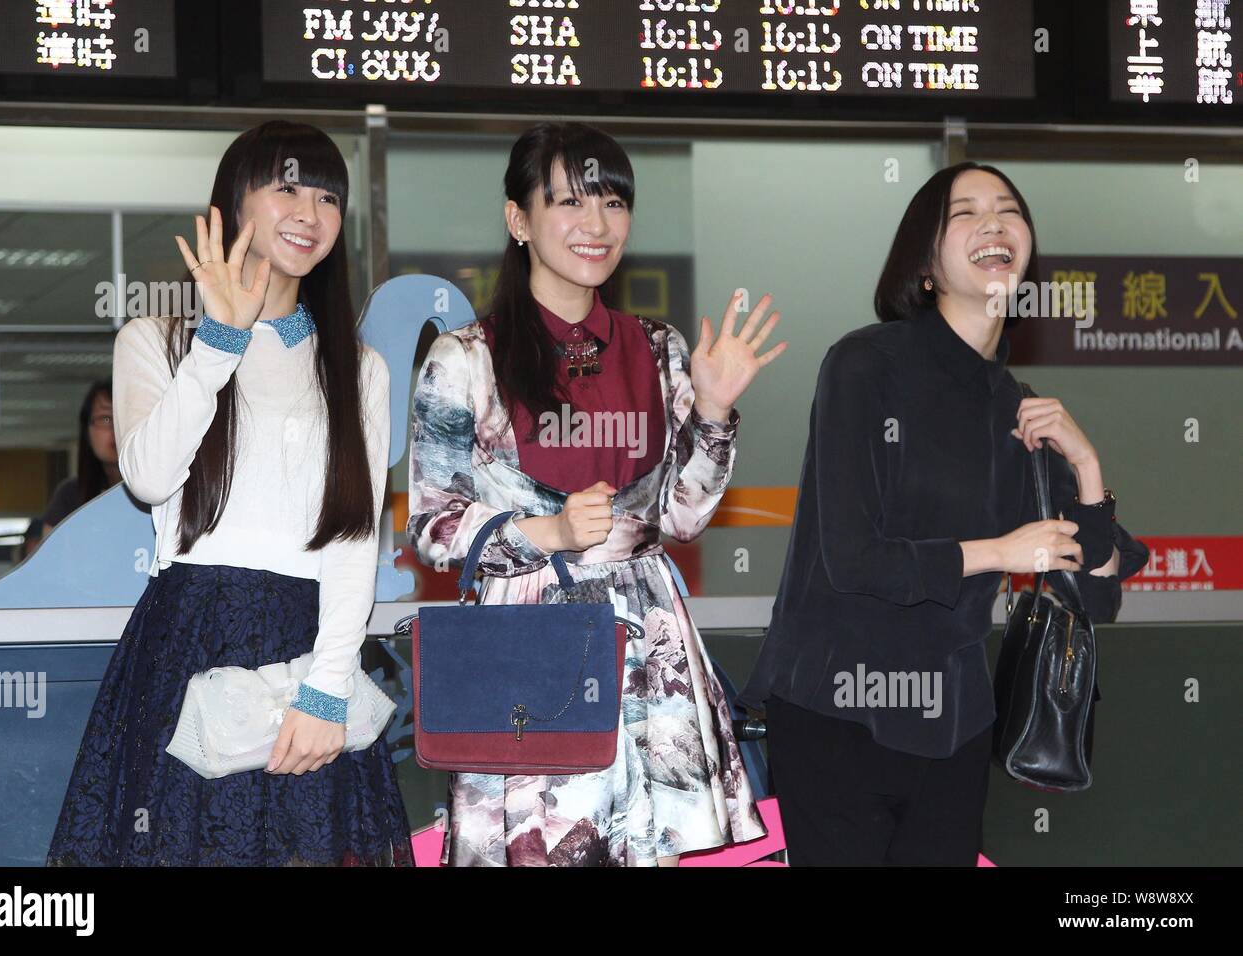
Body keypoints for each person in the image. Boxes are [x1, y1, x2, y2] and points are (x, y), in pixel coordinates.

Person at [740, 162, 1150, 866]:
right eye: (965, 213)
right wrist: (999, 551)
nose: (994, 223)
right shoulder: (867, 364)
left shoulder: (1013, 405)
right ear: (925, 265)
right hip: (838, 712)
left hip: (952, 728)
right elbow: (854, 558)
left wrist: (1086, 468)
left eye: (1009, 210)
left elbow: (1097, 588)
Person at [407, 121, 784, 866]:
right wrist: (542, 532)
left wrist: (711, 413)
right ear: (519, 220)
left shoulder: (660, 347)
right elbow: (430, 526)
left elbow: (683, 516)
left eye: (613, 203)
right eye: (571, 203)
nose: (596, 224)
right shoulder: (465, 358)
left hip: (651, 636)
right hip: (528, 635)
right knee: (548, 845)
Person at [47, 121, 414, 866]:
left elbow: (351, 543)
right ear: (233, 201)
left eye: (326, 197)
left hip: (310, 642)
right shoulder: (158, 339)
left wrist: (327, 690)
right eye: (285, 188)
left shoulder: (360, 368)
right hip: (190, 635)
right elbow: (148, 478)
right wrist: (219, 343)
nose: (308, 213)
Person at [42, 380, 123, 531]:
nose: (116, 427)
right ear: (87, 432)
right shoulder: (70, 495)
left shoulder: (164, 489)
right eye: (105, 418)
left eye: (125, 416)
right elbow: (52, 552)